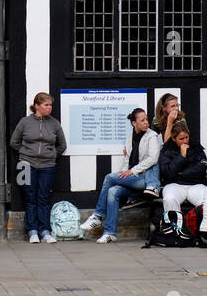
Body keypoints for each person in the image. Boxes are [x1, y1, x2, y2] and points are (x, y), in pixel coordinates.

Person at [80, 108, 162, 243]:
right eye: (142, 120)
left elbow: (153, 158)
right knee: (113, 191)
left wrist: (132, 171)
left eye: (146, 119)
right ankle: (110, 233)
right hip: (132, 178)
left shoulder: (151, 136)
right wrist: (123, 175)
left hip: (144, 179)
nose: (146, 122)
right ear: (134, 123)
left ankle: (98, 216)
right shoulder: (130, 138)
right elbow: (127, 161)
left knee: (109, 177)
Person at [10, 92, 67, 243]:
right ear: (37, 106)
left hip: (47, 166)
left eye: (50, 105)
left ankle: (45, 231)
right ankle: (32, 231)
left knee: (44, 197)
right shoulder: (25, 122)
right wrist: (25, 153)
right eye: (46, 105)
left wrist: (52, 155)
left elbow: (62, 145)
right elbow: (14, 142)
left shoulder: (54, 123)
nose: (49, 108)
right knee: (29, 198)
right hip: (26, 165)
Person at [158, 124, 207, 228]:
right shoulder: (167, 150)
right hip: (174, 184)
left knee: (206, 199)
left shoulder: (196, 148)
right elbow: (167, 172)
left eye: (186, 137)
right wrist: (181, 156)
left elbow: (201, 169)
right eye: (181, 139)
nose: (185, 141)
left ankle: (201, 229)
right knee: (169, 198)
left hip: (196, 184)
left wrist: (181, 173)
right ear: (173, 138)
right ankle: (174, 229)